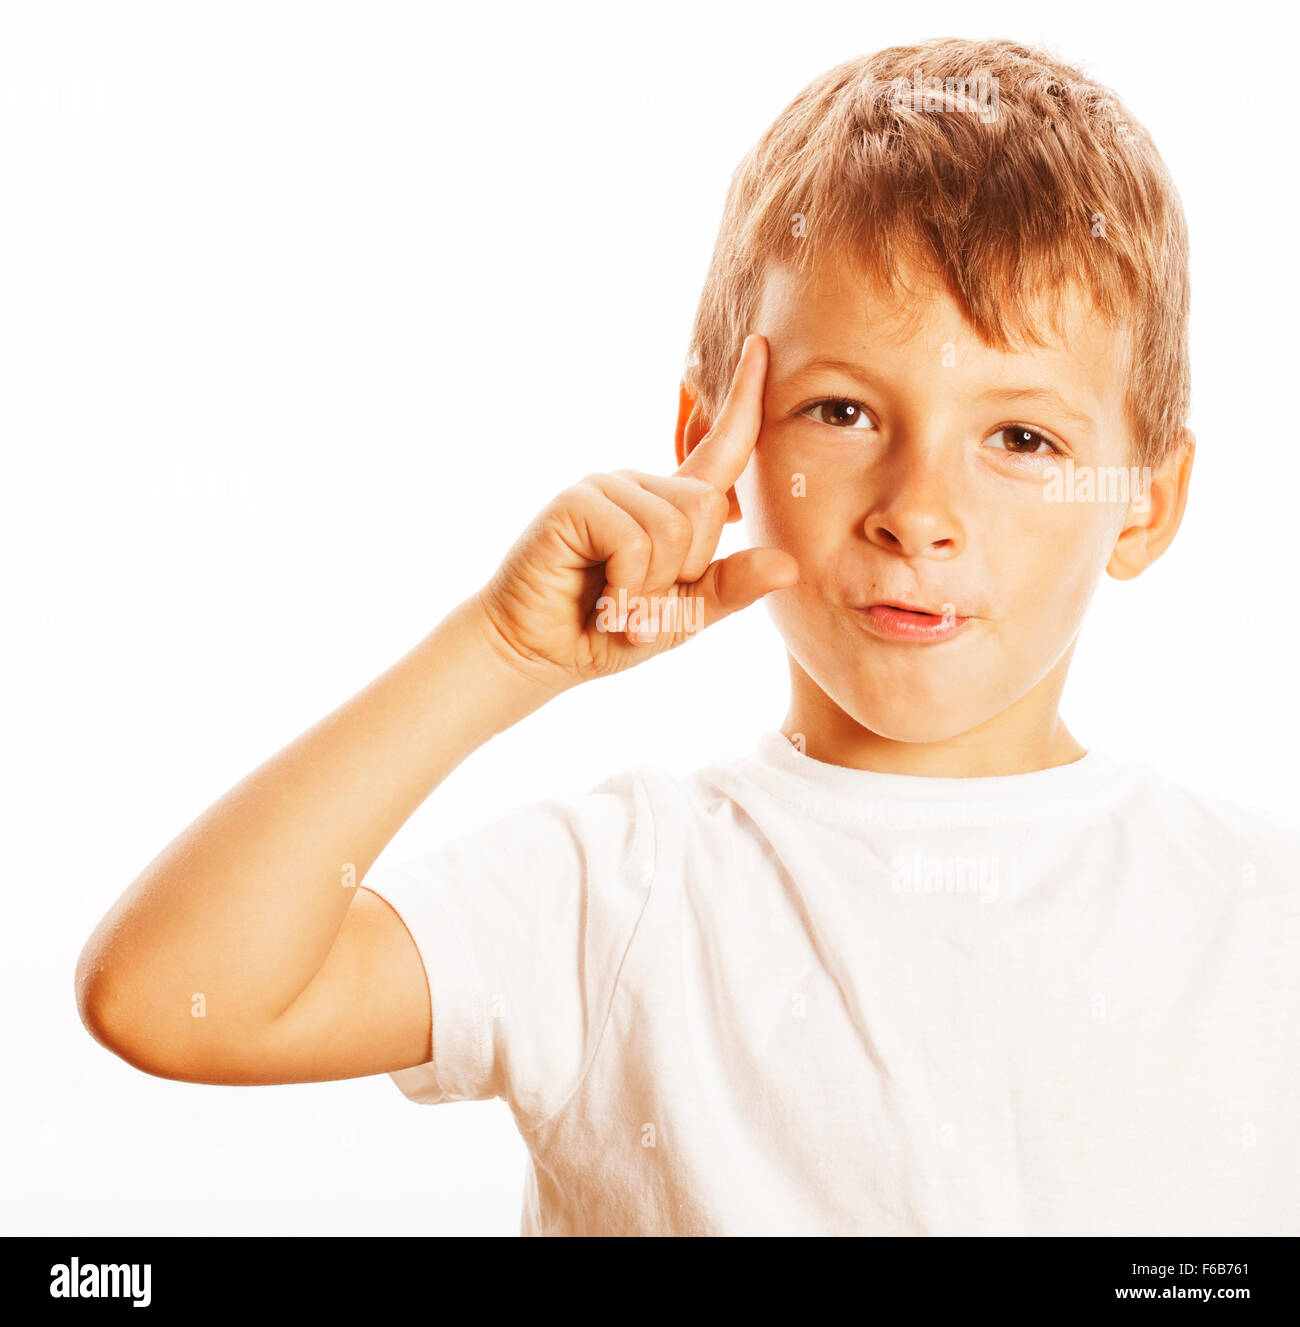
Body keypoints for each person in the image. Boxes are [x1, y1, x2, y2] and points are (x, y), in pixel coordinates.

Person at [75, 37, 1300, 1236]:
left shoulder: (1256, 914)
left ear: (1144, 501)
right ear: (715, 439)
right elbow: (168, 998)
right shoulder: (621, 891)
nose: (919, 513)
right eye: (843, 411)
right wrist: (497, 657)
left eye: (1021, 439)